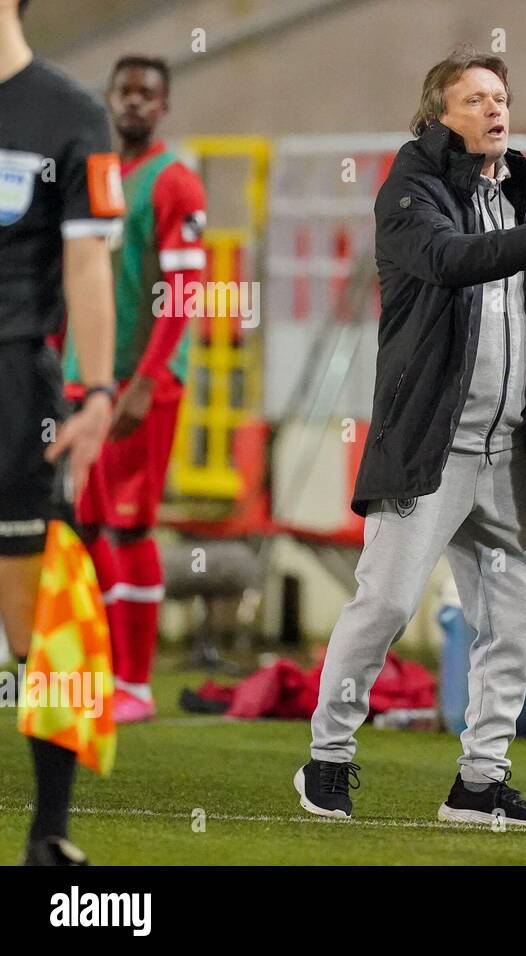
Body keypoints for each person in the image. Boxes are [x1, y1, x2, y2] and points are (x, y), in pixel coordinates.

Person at [293, 47, 526, 829]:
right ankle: (327, 758)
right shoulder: (411, 186)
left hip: (509, 452)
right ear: (437, 116)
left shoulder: (523, 194)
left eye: (500, 97)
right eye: (475, 99)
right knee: (387, 602)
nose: (495, 110)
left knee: (515, 619)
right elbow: (446, 260)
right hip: (432, 446)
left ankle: (479, 780)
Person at [0, 0, 123, 864]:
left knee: (37, 623)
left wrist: (99, 391)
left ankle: (50, 834)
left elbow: (87, 264)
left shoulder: (71, 115)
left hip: (14, 386)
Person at [62, 55, 207, 724]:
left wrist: (148, 379)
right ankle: (96, 674)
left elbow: (184, 291)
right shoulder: (93, 175)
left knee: (130, 525)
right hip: (80, 379)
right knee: (87, 527)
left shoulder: (174, 183)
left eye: (148, 94)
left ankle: (136, 686)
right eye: (125, 91)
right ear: (109, 97)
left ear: (165, 106)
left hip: (140, 384)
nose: (135, 104)